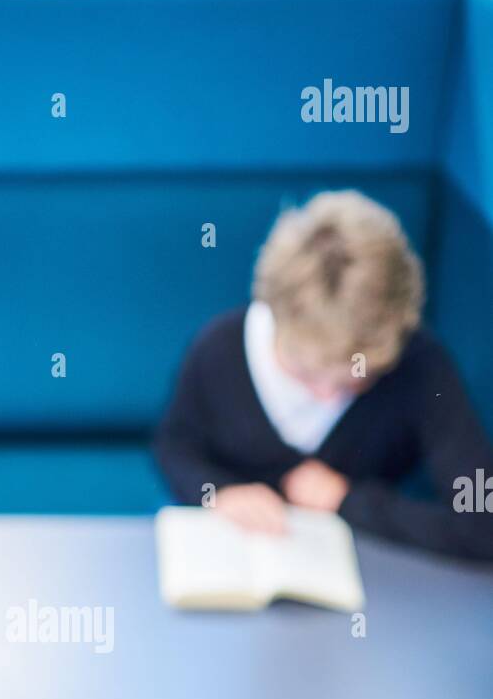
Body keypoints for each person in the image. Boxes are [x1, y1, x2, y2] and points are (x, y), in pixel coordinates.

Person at [156, 190, 493, 561]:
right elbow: (174, 447)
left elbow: (483, 522)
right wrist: (218, 492)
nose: (329, 397)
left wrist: (347, 501)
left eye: (361, 376)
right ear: (275, 319)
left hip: (376, 580)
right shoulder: (218, 351)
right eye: (306, 373)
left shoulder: (421, 367)